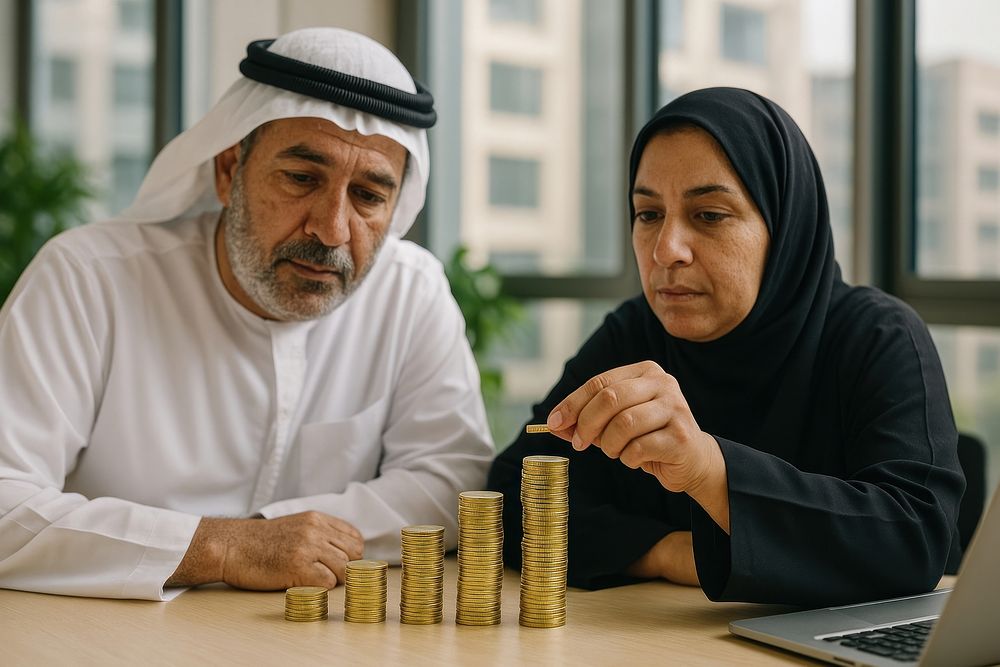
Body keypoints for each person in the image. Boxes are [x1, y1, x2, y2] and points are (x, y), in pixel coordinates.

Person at [0, 27, 493, 600]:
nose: (332, 229)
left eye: (368, 196)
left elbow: (452, 477)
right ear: (229, 170)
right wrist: (221, 547)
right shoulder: (88, 278)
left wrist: (275, 536)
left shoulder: (411, 292)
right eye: (302, 178)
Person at [488, 87, 965, 607]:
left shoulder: (877, 336)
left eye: (709, 215)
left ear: (783, 225)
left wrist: (709, 471)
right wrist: (666, 552)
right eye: (648, 214)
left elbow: (917, 537)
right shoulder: (635, 335)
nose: (666, 250)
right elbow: (512, 489)